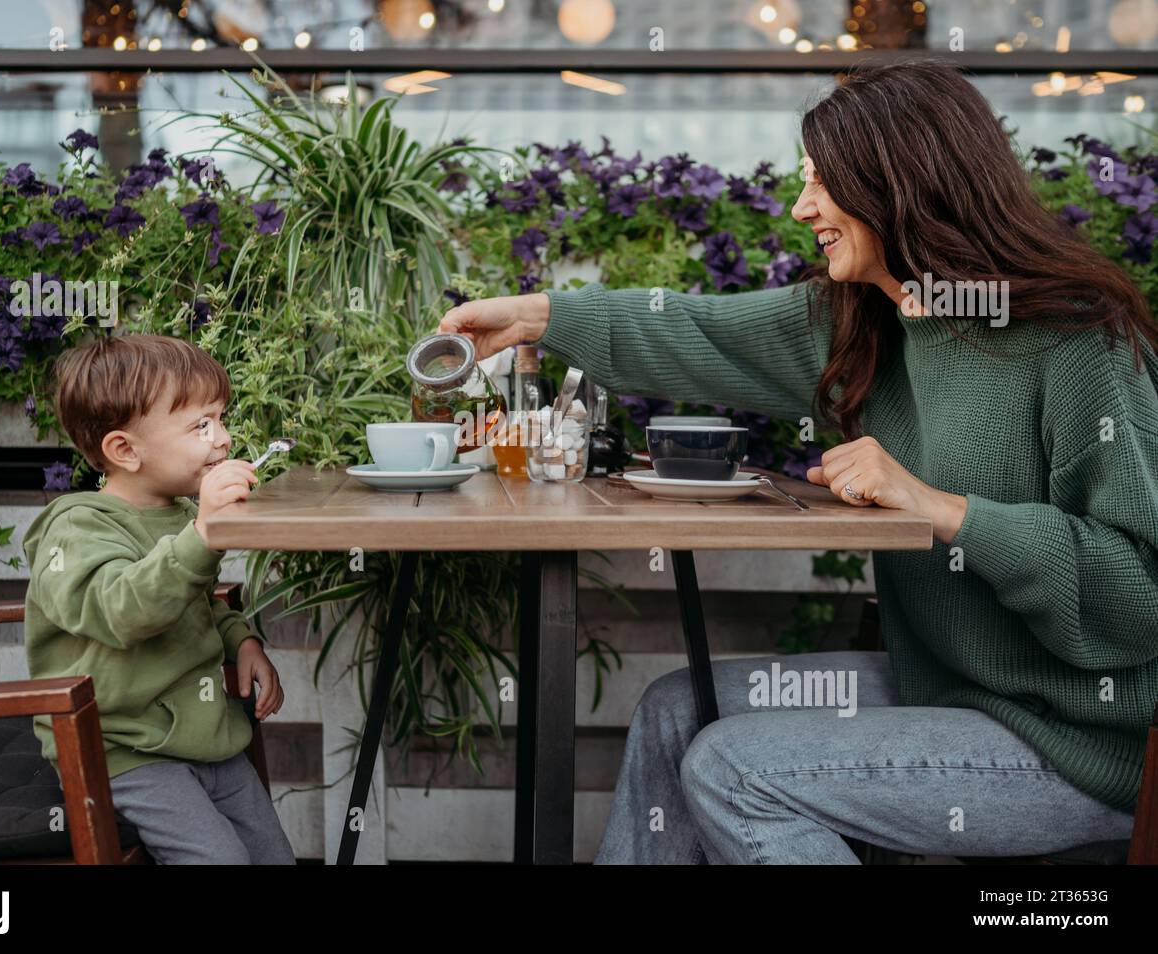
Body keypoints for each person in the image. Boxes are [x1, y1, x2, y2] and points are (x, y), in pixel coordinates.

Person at [439, 58, 1158, 864]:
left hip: (1080, 748)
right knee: (680, 711)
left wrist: (943, 509)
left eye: (824, 182)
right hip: (947, 691)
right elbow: (693, 330)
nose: (799, 207)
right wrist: (532, 317)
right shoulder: (860, 319)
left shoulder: (1076, 338)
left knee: (734, 770)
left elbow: (1142, 594)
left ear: (901, 181)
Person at [23, 333, 295, 864]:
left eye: (220, 418)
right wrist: (200, 534)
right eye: (201, 425)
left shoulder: (176, 514)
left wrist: (242, 642)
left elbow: (197, 602)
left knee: (274, 858)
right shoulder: (77, 527)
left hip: (206, 738)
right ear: (125, 450)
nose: (223, 439)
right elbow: (126, 609)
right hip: (121, 747)